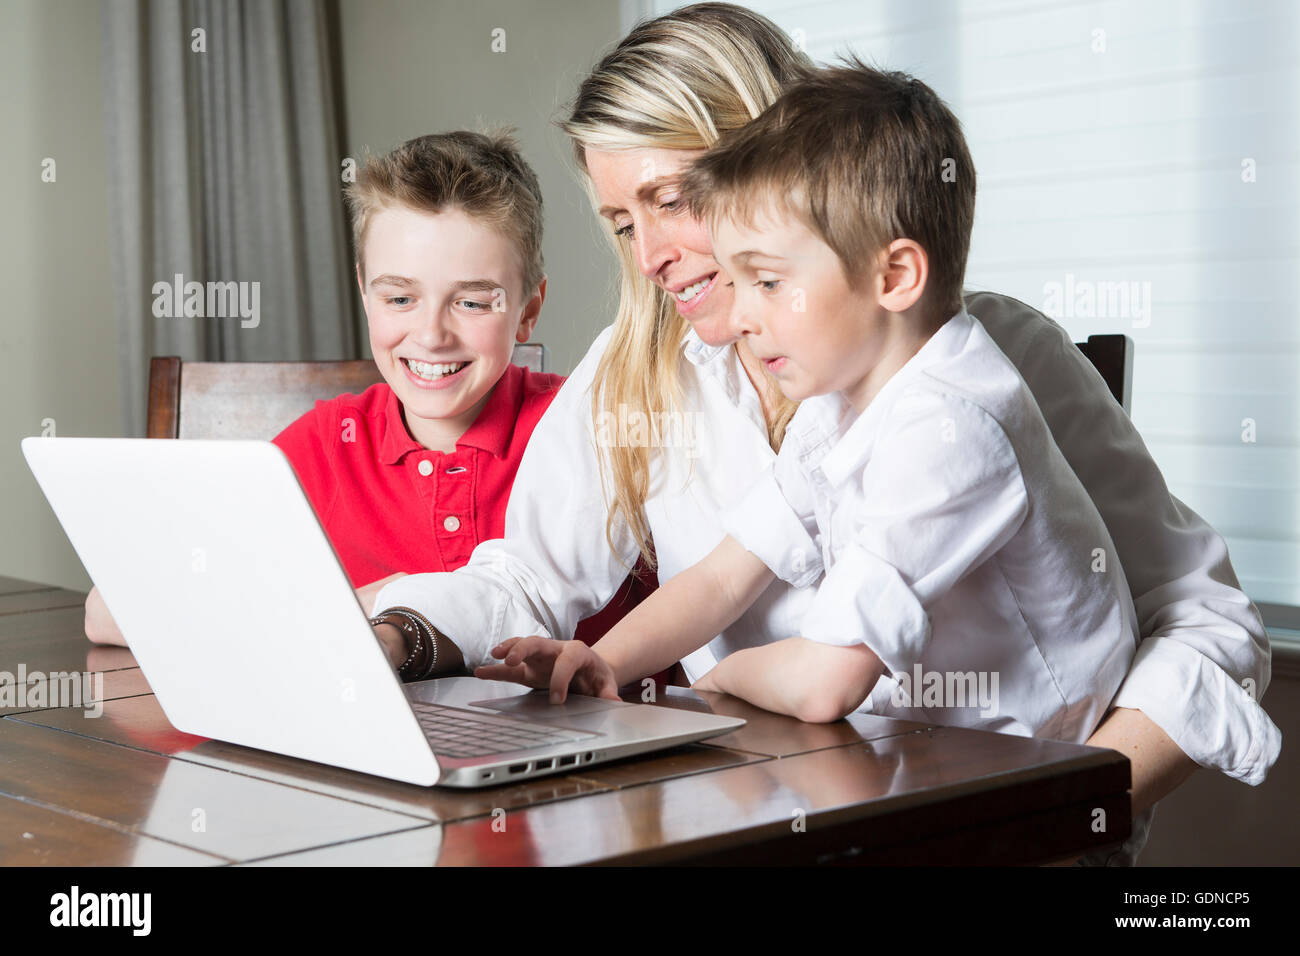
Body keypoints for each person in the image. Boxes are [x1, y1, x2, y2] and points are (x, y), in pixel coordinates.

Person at [368, 3, 1277, 863]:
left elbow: (1209, 627)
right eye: (620, 221)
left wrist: (1068, 810)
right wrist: (396, 633)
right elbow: (536, 577)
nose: (648, 259)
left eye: (674, 198)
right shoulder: (637, 371)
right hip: (774, 831)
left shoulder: (991, 369)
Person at [482, 59, 1142, 753]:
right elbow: (725, 573)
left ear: (894, 276)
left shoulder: (953, 426)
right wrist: (605, 662)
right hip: (919, 752)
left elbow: (826, 681)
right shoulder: (840, 402)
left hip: (1033, 768)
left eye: (767, 282)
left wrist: (719, 680)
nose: (744, 315)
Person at [82, 130, 653, 667]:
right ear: (364, 291)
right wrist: (373, 603)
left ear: (528, 309)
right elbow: (106, 610)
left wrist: (375, 604)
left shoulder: (589, 429)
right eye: (400, 298)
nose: (431, 335)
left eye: (473, 303)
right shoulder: (328, 445)